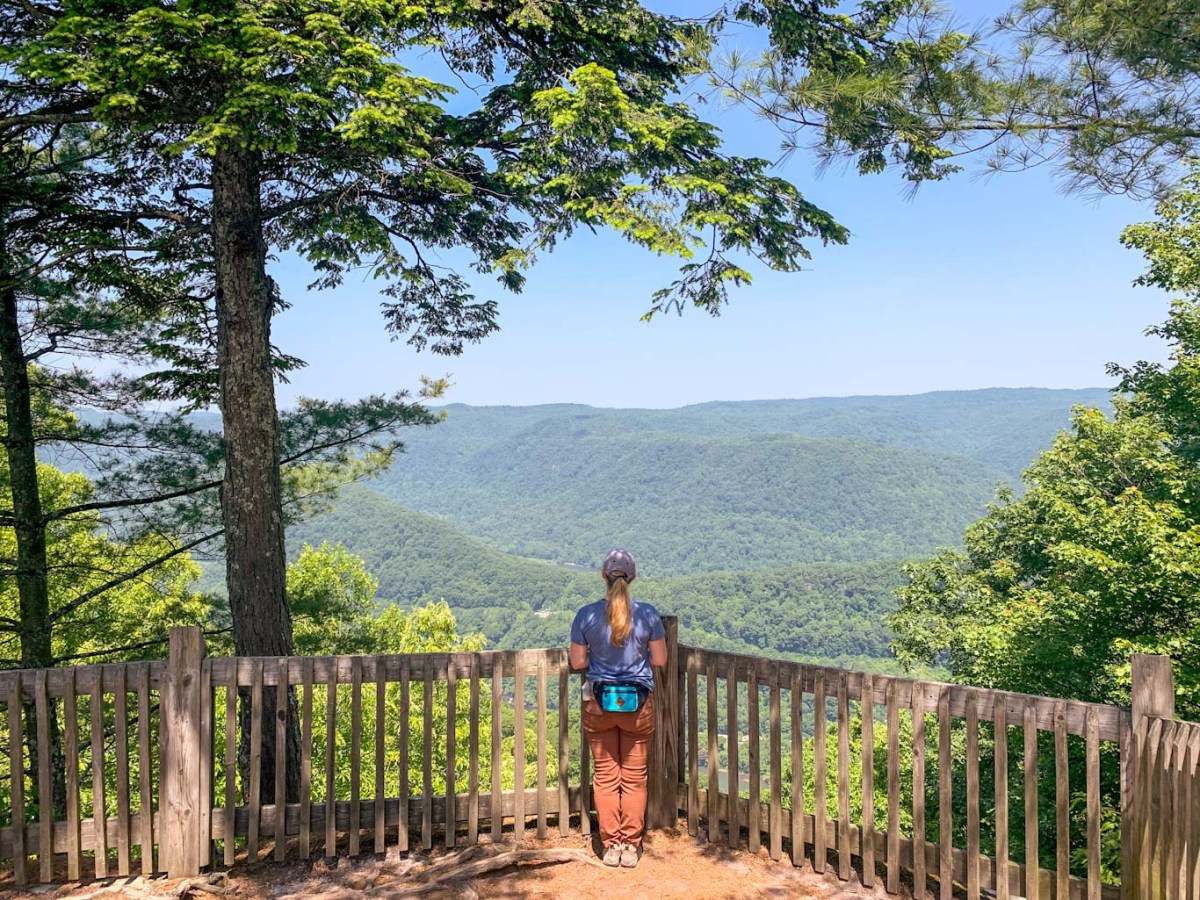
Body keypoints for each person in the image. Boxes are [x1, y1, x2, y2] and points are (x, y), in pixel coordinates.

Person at [569, 549, 667, 868]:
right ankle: (631, 845)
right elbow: (660, 659)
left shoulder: (585, 616)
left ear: (604, 576)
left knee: (606, 777)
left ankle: (611, 845)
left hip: (599, 705)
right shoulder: (648, 615)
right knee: (635, 778)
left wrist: (600, 657)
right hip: (638, 708)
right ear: (633, 577)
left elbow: (577, 662)